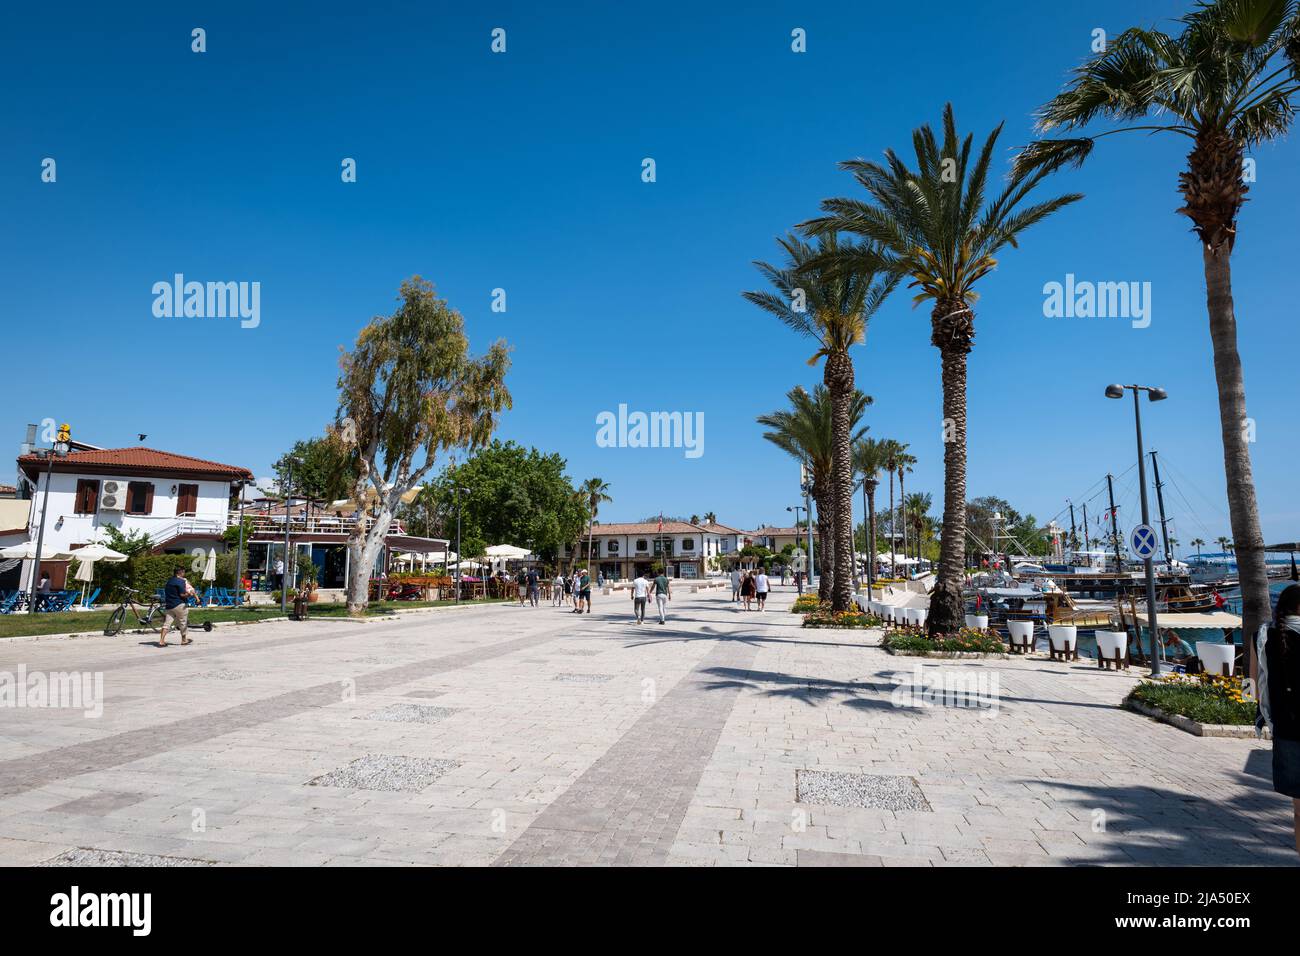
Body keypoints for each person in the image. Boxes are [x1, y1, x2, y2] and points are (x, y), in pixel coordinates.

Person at [1257, 583, 1300, 854]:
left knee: (1298, 811)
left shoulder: (1262, 636)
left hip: (1286, 730)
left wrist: (1263, 716)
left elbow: (1252, 682)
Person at [159, 566, 196, 648]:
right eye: (184, 572)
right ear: (181, 572)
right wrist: (189, 594)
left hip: (169, 605)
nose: (184, 574)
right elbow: (182, 595)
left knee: (167, 623)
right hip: (179, 604)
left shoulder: (169, 581)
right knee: (183, 622)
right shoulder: (181, 581)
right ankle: (184, 640)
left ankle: (161, 641)